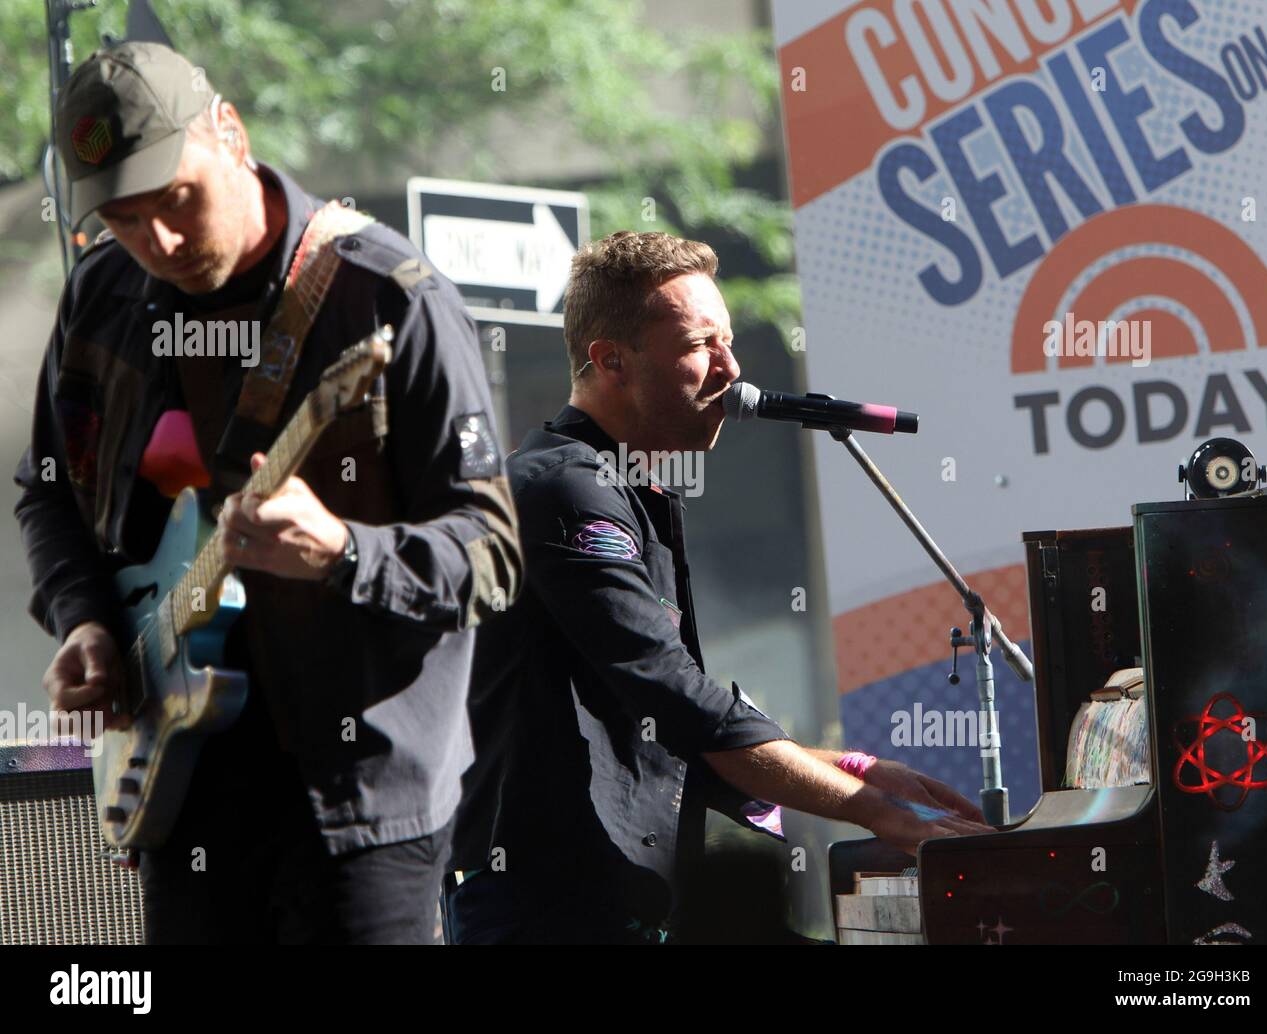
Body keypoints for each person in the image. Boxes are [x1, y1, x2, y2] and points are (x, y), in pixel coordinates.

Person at [14, 41, 521, 944]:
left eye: (174, 201)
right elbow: (49, 493)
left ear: (232, 135)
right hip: (185, 791)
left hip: (360, 805)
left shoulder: (387, 299)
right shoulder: (102, 295)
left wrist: (344, 552)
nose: (159, 243)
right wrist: (86, 618)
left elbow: (490, 553)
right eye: (124, 221)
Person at [446, 230, 989, 944]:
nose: (732, 369)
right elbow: (673, 696)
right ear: (611, 361)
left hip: (613, 898)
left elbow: (668, 730)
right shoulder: (566, 489)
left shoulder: (625, 487)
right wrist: (871, 808)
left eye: (728, 343)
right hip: (548, 907)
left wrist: (856, 770)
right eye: (702, 346)